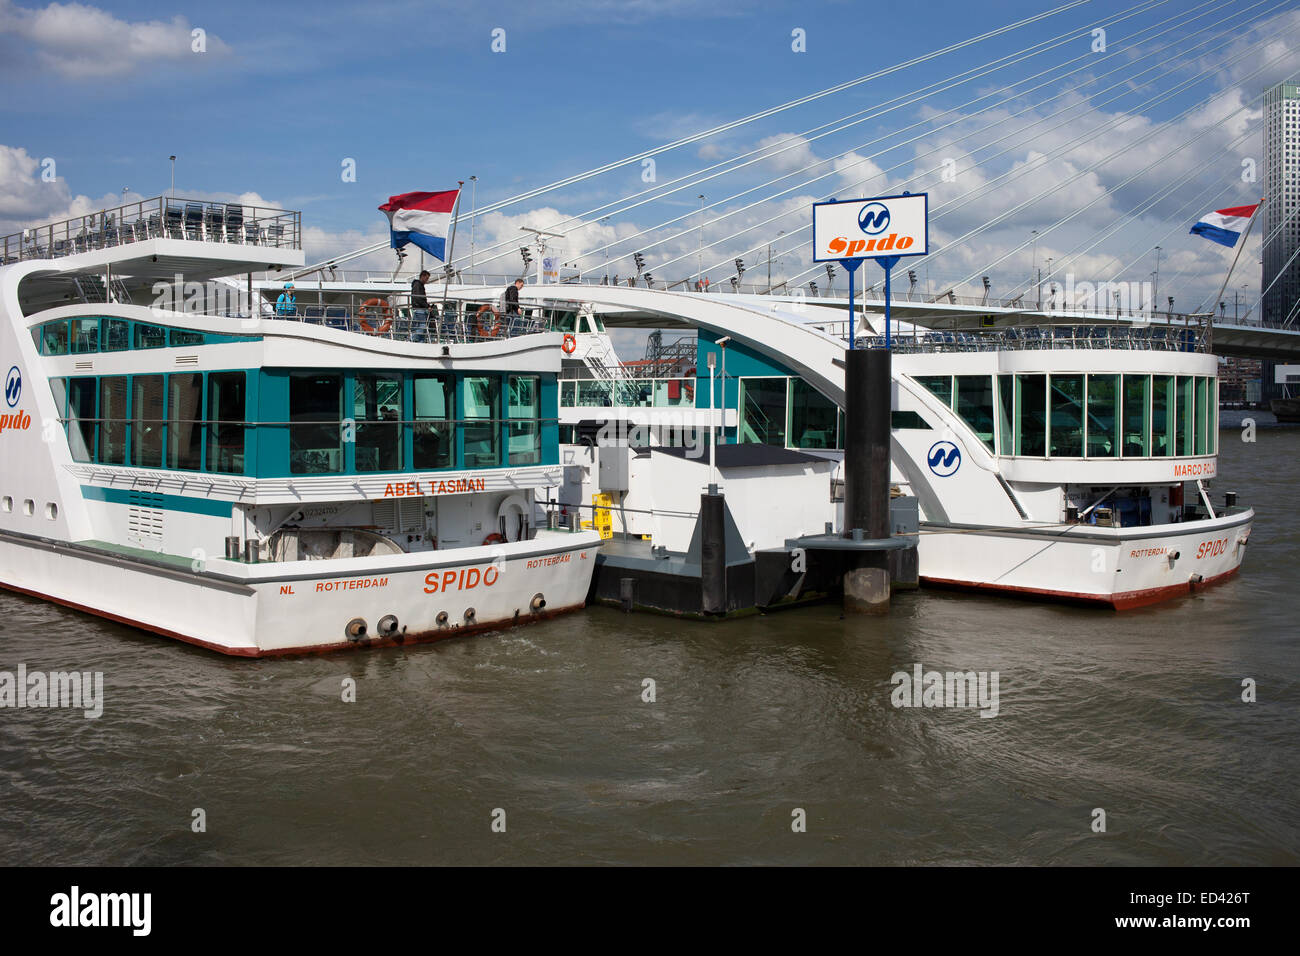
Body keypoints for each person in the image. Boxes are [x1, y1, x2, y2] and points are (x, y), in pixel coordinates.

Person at [411, 269, 431, 341]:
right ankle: (414, 339)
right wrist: (426, 306)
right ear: (422, 276)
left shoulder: (419, 285)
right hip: (419, 309)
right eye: (426, 278)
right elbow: (418, 298)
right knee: (422, 326)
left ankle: (420, 341)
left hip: (420, 309)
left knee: (420, 327)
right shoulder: (418, 285)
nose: (427, 280)